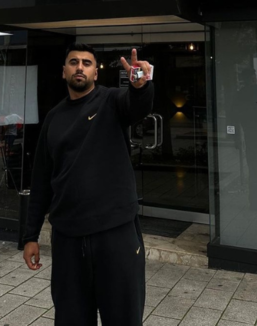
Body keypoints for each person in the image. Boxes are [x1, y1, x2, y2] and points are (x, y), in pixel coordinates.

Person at [22, 45, 154, 326]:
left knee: (123, 318)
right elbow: (42, 180)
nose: (79, 67)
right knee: (71, 318)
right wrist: (30, 235)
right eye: (73, 62)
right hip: (68, 238)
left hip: (115, 234)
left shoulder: (111, 101)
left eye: (86, 63)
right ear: (63, 71)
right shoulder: (53, 118)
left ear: (96, 71)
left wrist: (141, 86)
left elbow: (136, 106)